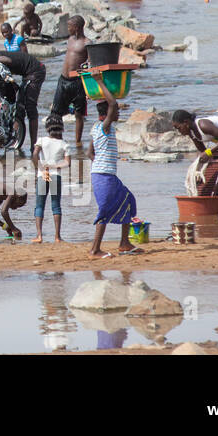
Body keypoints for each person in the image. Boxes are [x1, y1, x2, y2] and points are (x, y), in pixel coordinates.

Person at [88, 83, 139, 257]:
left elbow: (90, 152)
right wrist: (99, 81)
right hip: (104, 176)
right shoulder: (104, 126)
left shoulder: (96, 128)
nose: (118, 113)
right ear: (106, 115)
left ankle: (124, 243)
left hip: (106, 174)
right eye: (116, 112)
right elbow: (112, 104)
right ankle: (95, 249)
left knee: (128, 200)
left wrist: (101, 162)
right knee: (105, 210)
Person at [0, 45, 46, 147]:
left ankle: (34, 145)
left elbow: (7, 60)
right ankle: (7, 136)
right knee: (19, 108)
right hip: (26, 74)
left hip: (35, 71)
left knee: (30, 107)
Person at [172, 110, 218, 208]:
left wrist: (209, 152)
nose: (179, 131)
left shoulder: (202, 125)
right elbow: (202, 150)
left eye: (178, 128)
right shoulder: (191, 133)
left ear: (186, 122)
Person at [50, 15, 89, 144]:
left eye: (69, 26)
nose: (68, 28)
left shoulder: (87, 43)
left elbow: (91, 62)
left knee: (79, 113)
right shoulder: (70, 39)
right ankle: (57, 139)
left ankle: (78, 142)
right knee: (56, 111)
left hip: (77, 82)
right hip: (63, 79)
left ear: (76, 27)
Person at [32, 117, 70, 242]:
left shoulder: (42, 140)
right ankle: (57, 236)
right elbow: (67, 163)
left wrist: (41, 168)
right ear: (62, 129)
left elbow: (35, 154)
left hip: (43, 174)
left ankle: (39, 236)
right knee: (56, 205)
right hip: (56, 175)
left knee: (39, 205)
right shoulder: (64, 144)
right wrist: (55, 166)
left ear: (48, 128)